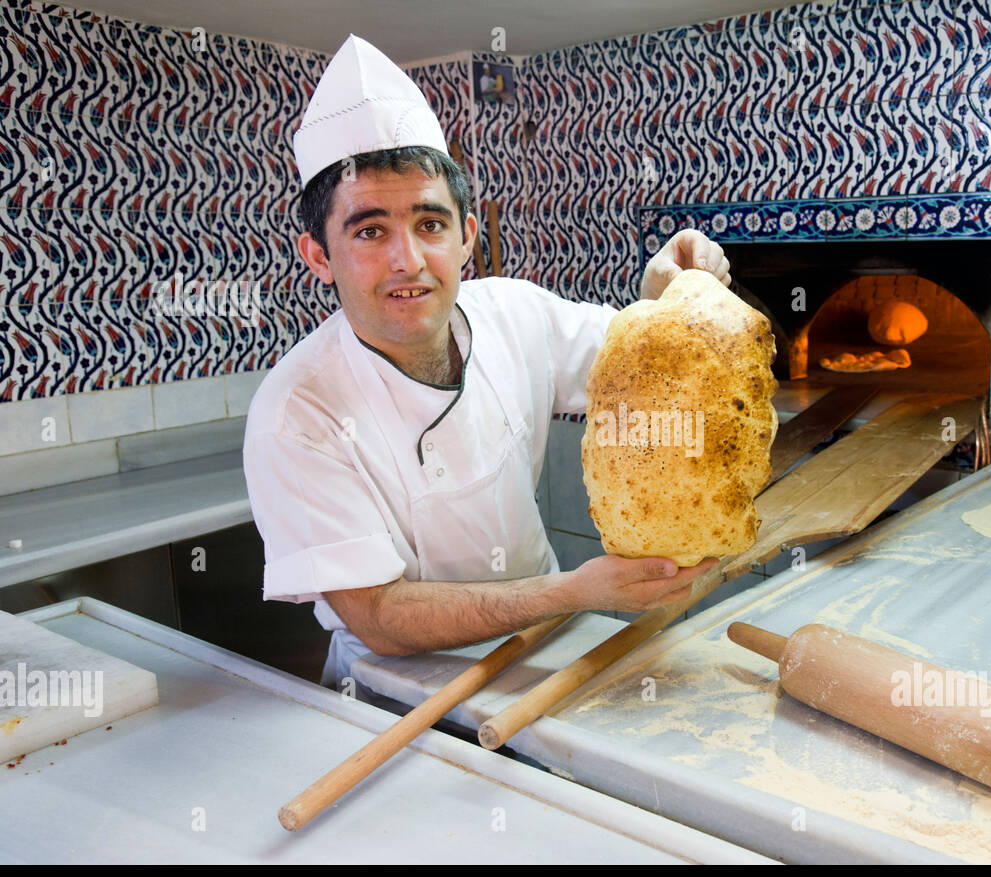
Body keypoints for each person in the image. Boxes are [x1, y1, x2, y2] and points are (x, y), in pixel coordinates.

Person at [242, 36, 728, 696]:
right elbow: (380, 618)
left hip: (544, 658)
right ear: (319, 255)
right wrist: (574, 589)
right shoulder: (297, 412)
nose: (408, 260)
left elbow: (640, 363)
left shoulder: (512, 314)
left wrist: (662, 289)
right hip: (394, 692)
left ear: (467, 236)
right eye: (369, 230)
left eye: (430, 224)